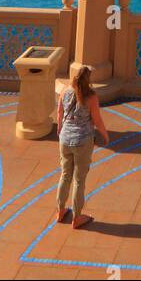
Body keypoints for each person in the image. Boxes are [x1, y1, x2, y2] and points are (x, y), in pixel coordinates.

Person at [56, 65, 109, 228]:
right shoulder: (91, 97)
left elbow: (59, 113)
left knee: (65, 175)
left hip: (65, 140)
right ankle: (77, 217)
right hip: (82, 142)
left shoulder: (65, 92)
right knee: (79, 180)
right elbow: (97, 120)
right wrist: (105, 136)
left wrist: (60, 131)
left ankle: (60, 210)